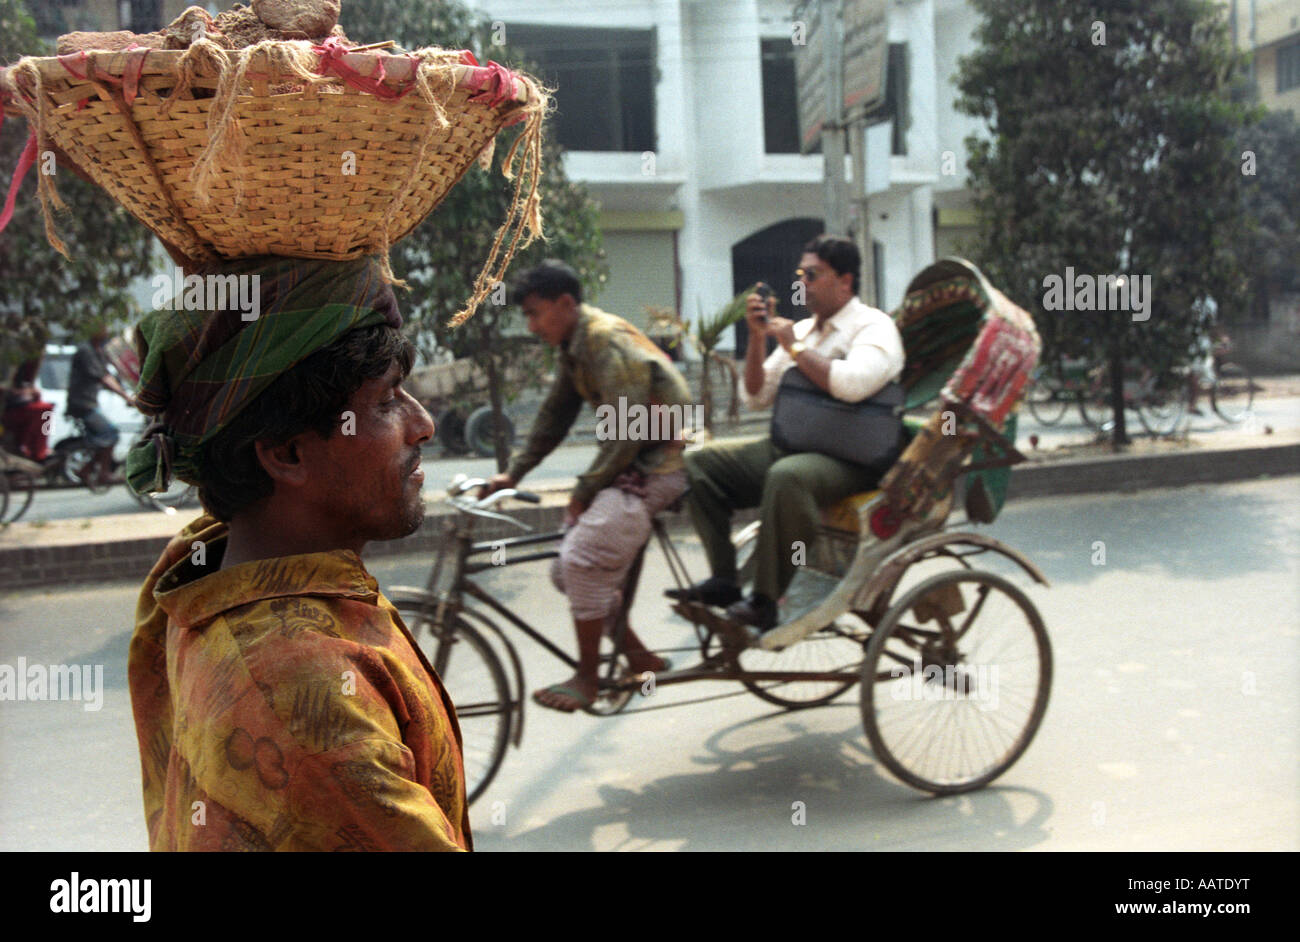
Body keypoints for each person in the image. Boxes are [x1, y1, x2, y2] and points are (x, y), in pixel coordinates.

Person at [126, 254, 471, 851]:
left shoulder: (204, 571)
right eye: (388, 400)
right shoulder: (301, 690)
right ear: (286, 453)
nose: (423, 425)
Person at [482, 260, 693, 713]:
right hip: (635, 461)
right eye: (527, 316)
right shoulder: (575, 345)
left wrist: (585, 491)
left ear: (566, 303)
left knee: (580, 559)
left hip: (664, 463)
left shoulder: (602, 339)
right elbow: (555, 416)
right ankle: (641, 658)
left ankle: (588, 678)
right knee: (567, 570)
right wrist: (512, 475)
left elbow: (628, 428)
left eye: (537, 313)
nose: (532, 326)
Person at [668, 234, 905, 631]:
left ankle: (764, 600)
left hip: (853, 458)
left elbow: (852, 384)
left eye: (813, 274)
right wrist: (759, 338)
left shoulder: (874, 327)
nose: (804, 283)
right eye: (802, 274)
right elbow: (755, 396)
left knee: (788, 476)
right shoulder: (806, 330)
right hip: (796, 445)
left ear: (845, 281)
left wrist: (795, 350)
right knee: (699, 463)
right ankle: (725, 580)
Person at [66, 324, 135, 486]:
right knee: (110, 433)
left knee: (104, 437)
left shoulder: (98, 351)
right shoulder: (86, 351)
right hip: (82, 404)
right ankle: (103, 473)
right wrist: (126, 396)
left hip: (89, 402)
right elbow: (104, 378)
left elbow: (113, 373)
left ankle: (87, 469)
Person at [3, 357, 54, 462]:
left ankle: (38, 448)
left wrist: (30, 392)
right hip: (11, 409)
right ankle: (30, 447)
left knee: (46, 410)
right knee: (42, 411)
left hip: (21, 405)